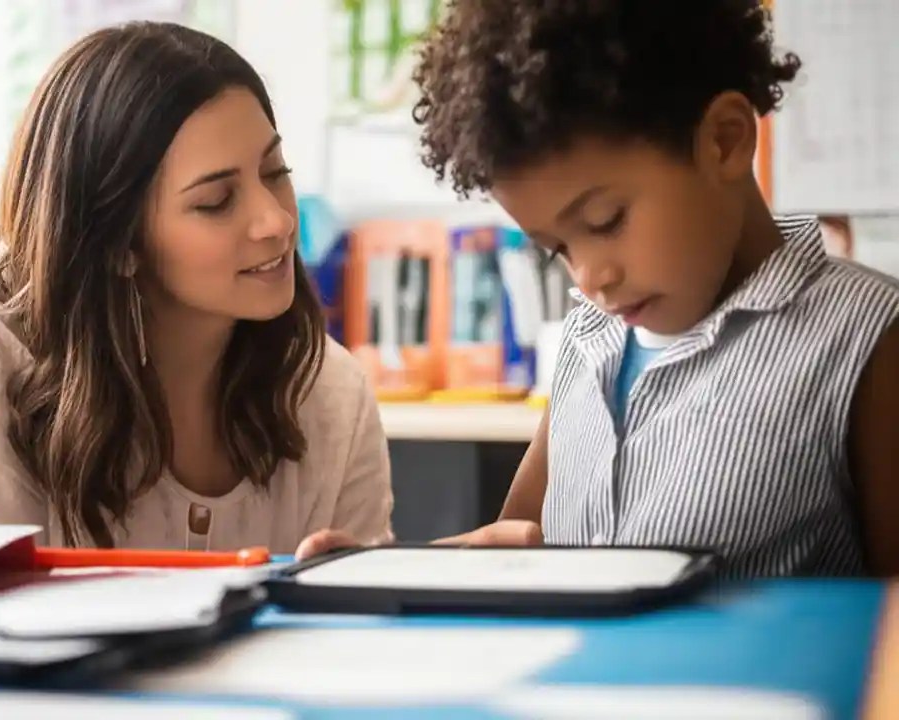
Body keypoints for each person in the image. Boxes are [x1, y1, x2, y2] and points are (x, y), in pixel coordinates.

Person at [300, 0, 899, 577]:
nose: (589, 278)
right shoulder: (592, 338)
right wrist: (391, 571)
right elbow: (514, 548)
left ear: (725, 140)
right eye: (558, 249)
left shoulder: (868, 337)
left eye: (606, 221)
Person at [0, 22, 393, 553]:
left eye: (275, 172)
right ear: (115, 241)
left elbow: (361, 626)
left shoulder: (330, 392)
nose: (276, 220)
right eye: (216, 201)